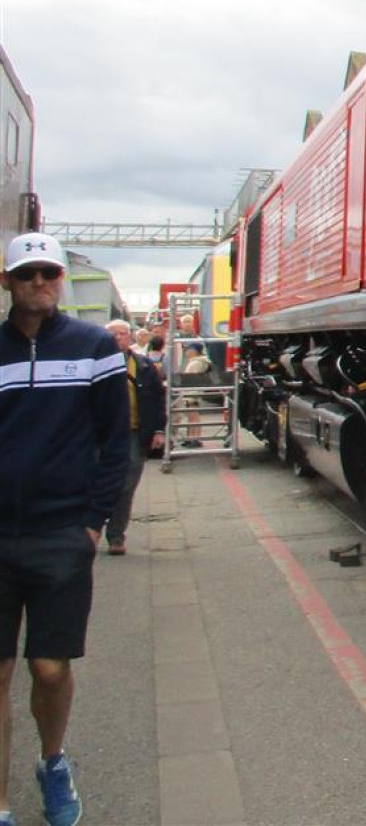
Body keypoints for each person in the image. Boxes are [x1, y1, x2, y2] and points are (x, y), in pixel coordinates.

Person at [0, 232, 129, 826]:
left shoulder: (95, 346)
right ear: (8, 284)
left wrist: (93, 523)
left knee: (48, 668)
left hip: (62, 535)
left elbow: (113, 442)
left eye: (49, 273)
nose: (41, 283)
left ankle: (52, 761)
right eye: (28, 275)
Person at [102, 320, 166, 554]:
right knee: (96, 483)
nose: (120, 337)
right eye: (115, 334)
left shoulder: (144, 365)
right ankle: (91, 528)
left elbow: (158, 398)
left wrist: (159, 430)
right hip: (102, 435)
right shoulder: (94, 364)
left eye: (124, 333)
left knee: (127, 485)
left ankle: (116, 536)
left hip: (134, 433)